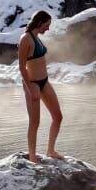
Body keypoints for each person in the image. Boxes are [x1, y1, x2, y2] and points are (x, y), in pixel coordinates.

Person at [18, 10, 64, 162]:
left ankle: (51, 150)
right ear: (39, 23)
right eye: (47, 25)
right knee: (35, 122)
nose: (48, 28)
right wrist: (30, 87)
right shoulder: (25, 39)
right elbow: (21, 66)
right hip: (32, 84)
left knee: (58, 117)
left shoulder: (37, 38)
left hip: (44, 81)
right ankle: (32, 156)